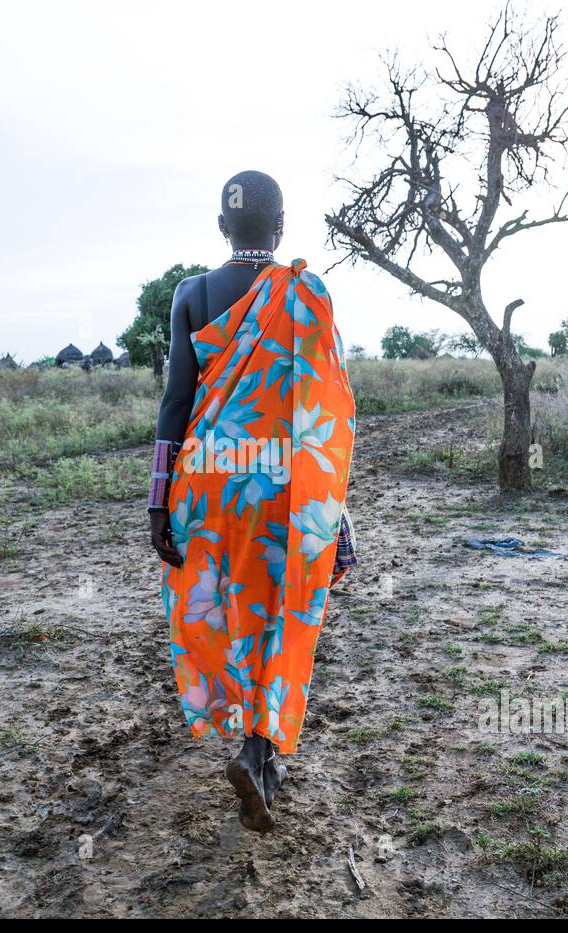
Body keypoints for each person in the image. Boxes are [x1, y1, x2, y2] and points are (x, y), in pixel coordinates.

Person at [148, 170, 356, 832]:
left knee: (224, 606)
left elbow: (175, 403)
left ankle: (253, 743)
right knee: (281, 611)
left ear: (221, 227)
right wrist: (337, 512)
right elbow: (324, 413)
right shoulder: (305, 293)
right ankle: (259, 748)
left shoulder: (191, 294)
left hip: (206, 481)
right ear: (282, 225)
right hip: (278, 483)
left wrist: (159, 501)